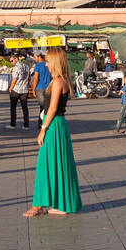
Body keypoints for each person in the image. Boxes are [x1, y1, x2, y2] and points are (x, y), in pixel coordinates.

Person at [25, 48, 82, 216]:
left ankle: (40, 205)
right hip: (59, 125)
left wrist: (43, 129)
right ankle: (61, 203)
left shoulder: (57, 81)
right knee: (60, 164)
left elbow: (52, 108)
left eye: (49, 61)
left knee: (45, 164)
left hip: (53, 125)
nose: (46, 64)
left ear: (55, 62)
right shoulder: (63, 80)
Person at [9, 53, 31, 128]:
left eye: (12, 61)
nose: (11, 62)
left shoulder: (16, 68)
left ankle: (13, 124)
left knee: (13, 107)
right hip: (25, 90)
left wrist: (10, 88)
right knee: (25, 108)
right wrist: (27, 86)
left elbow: (14, 79)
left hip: (16, 89)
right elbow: (29, 78)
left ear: (16, 59)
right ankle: (26, 125)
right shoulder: (26, 66)